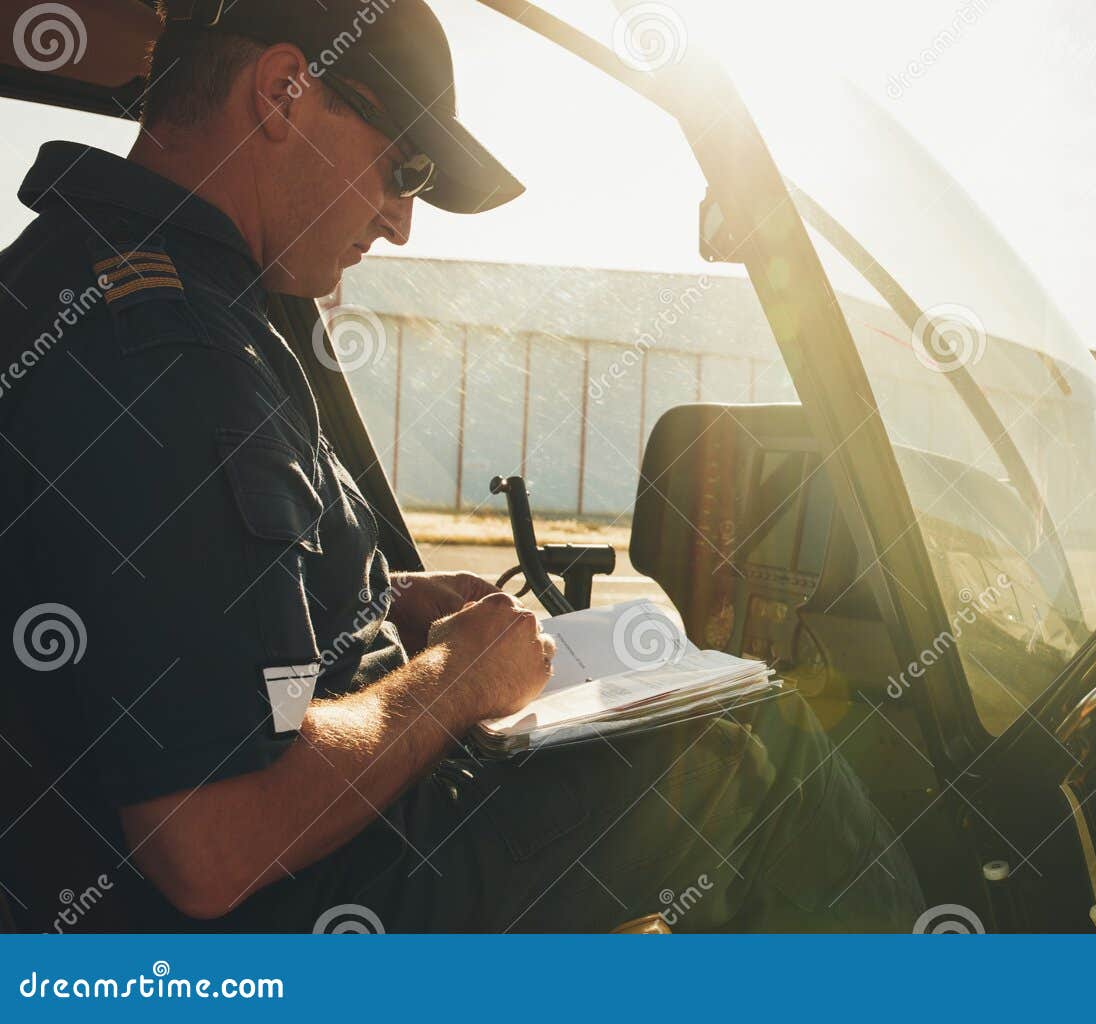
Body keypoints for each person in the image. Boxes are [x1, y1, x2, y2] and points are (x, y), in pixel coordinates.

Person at [0, 0, 921, 933]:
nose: (400, 222)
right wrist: (456, 681)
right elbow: (206, 843)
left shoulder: (105, 284)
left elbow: (164, 604)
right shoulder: (171, 353)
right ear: (282, 94)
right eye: (403, 167)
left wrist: (379, 595)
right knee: (762, 753)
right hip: (262, 921)